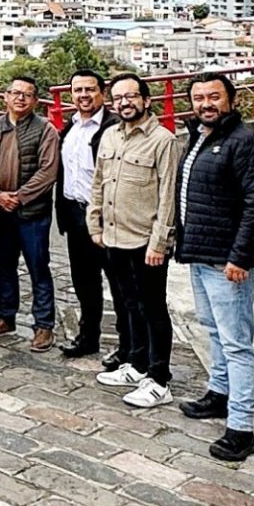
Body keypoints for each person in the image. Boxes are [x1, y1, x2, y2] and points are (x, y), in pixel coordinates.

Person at [174, 73, 254, 461]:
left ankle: (241, 427)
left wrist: (240, 257)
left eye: (214, 96)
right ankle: (219, 393)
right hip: (199, 253)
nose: (206, 104)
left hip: (228, 262)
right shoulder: (199, 136)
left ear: (231, 100)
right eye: (198, 98)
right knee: (213, 330)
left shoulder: (245, 142)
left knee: (237, 343)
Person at [90, 73, 181, 409]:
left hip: (145, 241)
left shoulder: (163, 141)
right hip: (113, 236)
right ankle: (137, 363)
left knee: (153, 309)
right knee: (128, 303)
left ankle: (159, 378)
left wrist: (160, 243)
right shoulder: (110, 136)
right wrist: (94, 223)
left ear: (146, 99)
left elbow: (167, 198)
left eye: (131, 96)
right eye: (119, 98)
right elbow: (98, 182)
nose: (125, 103)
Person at [0, 75, 60, 352]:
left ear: (35, 100)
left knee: (38, 267)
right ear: (5, 97)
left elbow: (48, 171)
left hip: (32, 213)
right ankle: (5, 316)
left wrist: (19, 197)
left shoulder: (45, 129)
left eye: (27, 94)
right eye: (15, 93)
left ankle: (44, 325)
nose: (20, 98)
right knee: (4, 266)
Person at [55, 70, 119, 360]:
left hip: (108, 217)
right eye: (78, 90)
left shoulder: (113, 127)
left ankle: (129, 344)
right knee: (84, 281)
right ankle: (88, 336)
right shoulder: (69, 129)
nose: (84, 95)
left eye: (90, 89)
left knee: (119, 284)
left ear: (101, 93)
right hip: (75, 214)